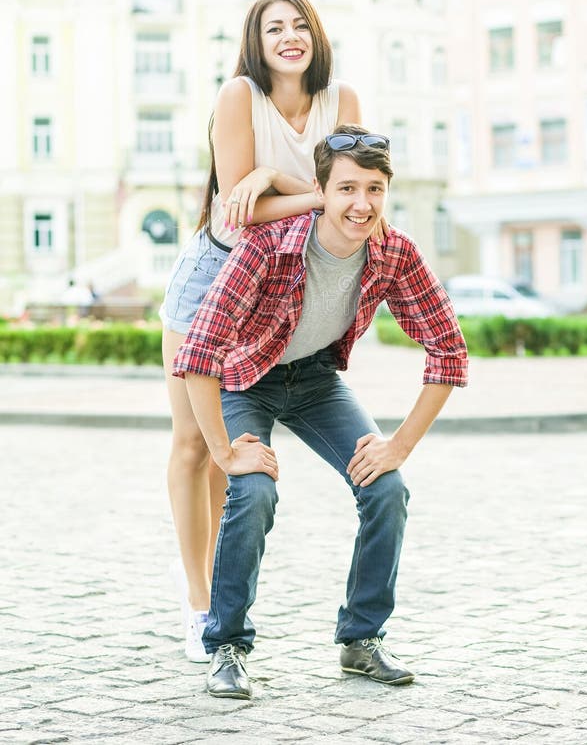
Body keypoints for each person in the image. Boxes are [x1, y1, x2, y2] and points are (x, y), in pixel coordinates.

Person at [172, 125, 469, 700]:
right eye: (349, 189)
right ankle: (226, 644)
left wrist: (399, 446)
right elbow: (201, 353)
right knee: (252, 491)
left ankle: (361, 639)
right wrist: (224, 452)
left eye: (375, 190)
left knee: (387, 488)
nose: (362, 205)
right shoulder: (269, 244)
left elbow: (448, 350)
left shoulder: (396, 251)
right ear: (322, 192)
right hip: (246, 380)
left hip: (315, 381)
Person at [159, 0, 364, 663]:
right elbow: (242, 210)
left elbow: (357, 190)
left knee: (235, 457)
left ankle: (221, 597)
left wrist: (277, 178)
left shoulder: (344, 103)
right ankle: (199, 607)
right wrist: (301, 185)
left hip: (280, 289)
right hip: (211, 279)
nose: (289, 35)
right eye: (274, 27)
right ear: (258, 41)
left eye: (300, 24)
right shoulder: (237, 97)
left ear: (316, 35)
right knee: (196, 446)